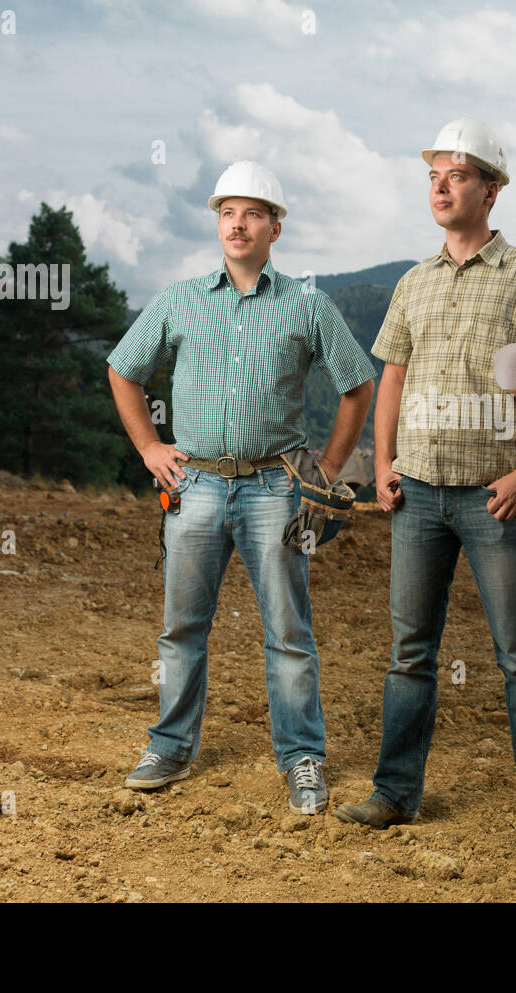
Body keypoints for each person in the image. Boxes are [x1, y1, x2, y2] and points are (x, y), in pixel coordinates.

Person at [335, 118, 516, 859]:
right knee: (410, 652)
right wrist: (382, 464)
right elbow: (392, 380)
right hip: (418, 498)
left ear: (491, 190)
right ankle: (394, 793)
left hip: (492, 496)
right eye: (433, 176)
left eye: (457, 175)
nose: (440, 187)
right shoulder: (414, 282)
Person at [106, 161, 375, 815]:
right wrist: (148, 446)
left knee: (287, 629)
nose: (237, 223)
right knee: (180, 628)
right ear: (217, 221)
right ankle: (169, 745)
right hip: (193, 484)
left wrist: (329, 469)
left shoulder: (308, 305)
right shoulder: (179, 300)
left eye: (253, 213)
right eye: (227, 211)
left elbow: (357, 383)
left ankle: (302, 759)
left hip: (276, 490)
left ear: (275, 228)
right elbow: (123, 368)